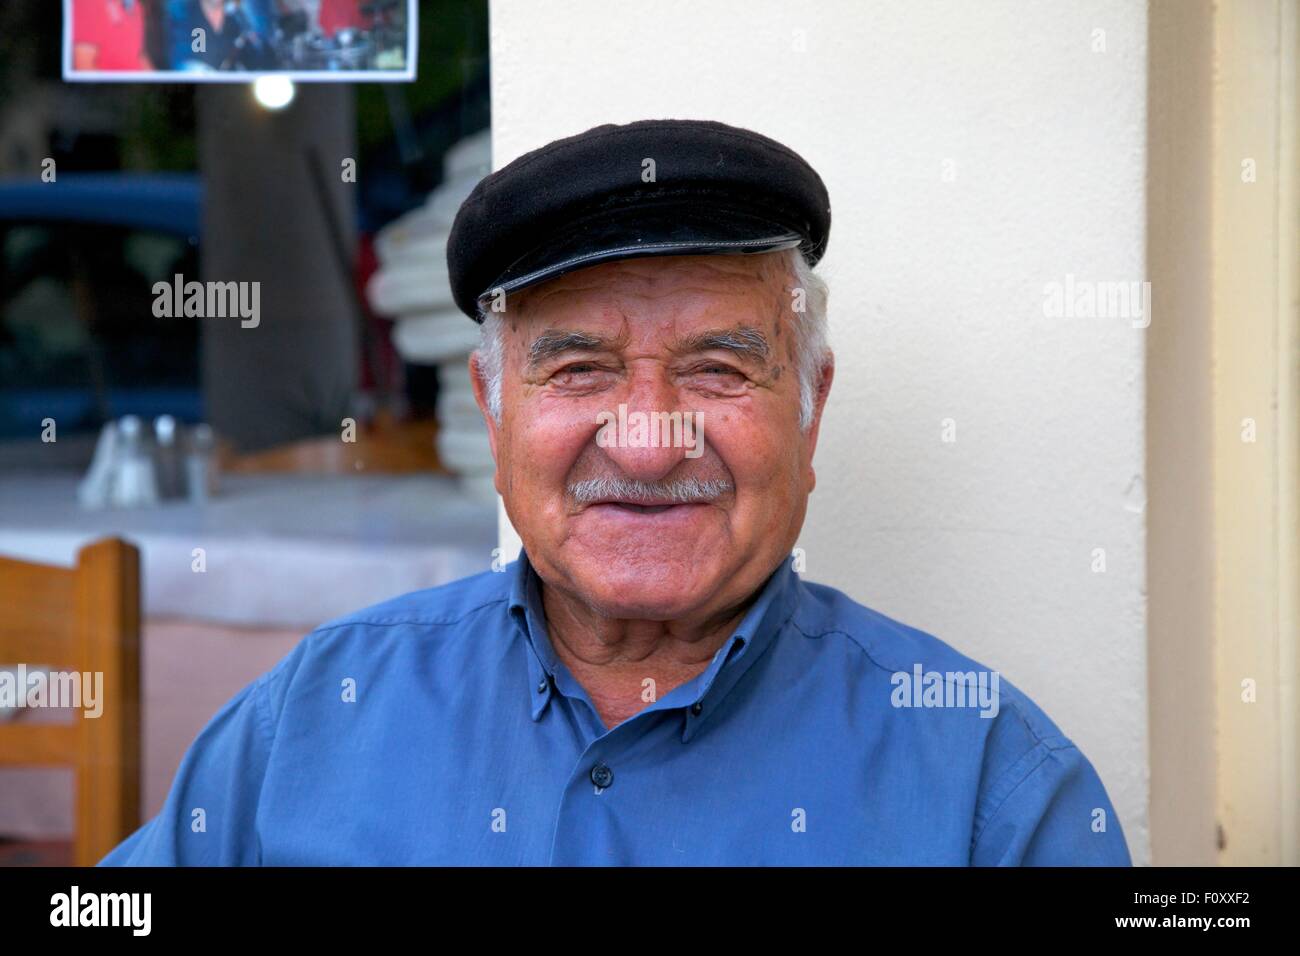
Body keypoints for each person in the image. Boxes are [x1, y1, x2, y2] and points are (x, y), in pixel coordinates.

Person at [99, 119, 1131, 866]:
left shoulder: (989, 786)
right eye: (578, 367)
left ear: (808, 407)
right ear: (494, 411)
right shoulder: (325, 706)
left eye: (720, 368)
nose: (645, 441)